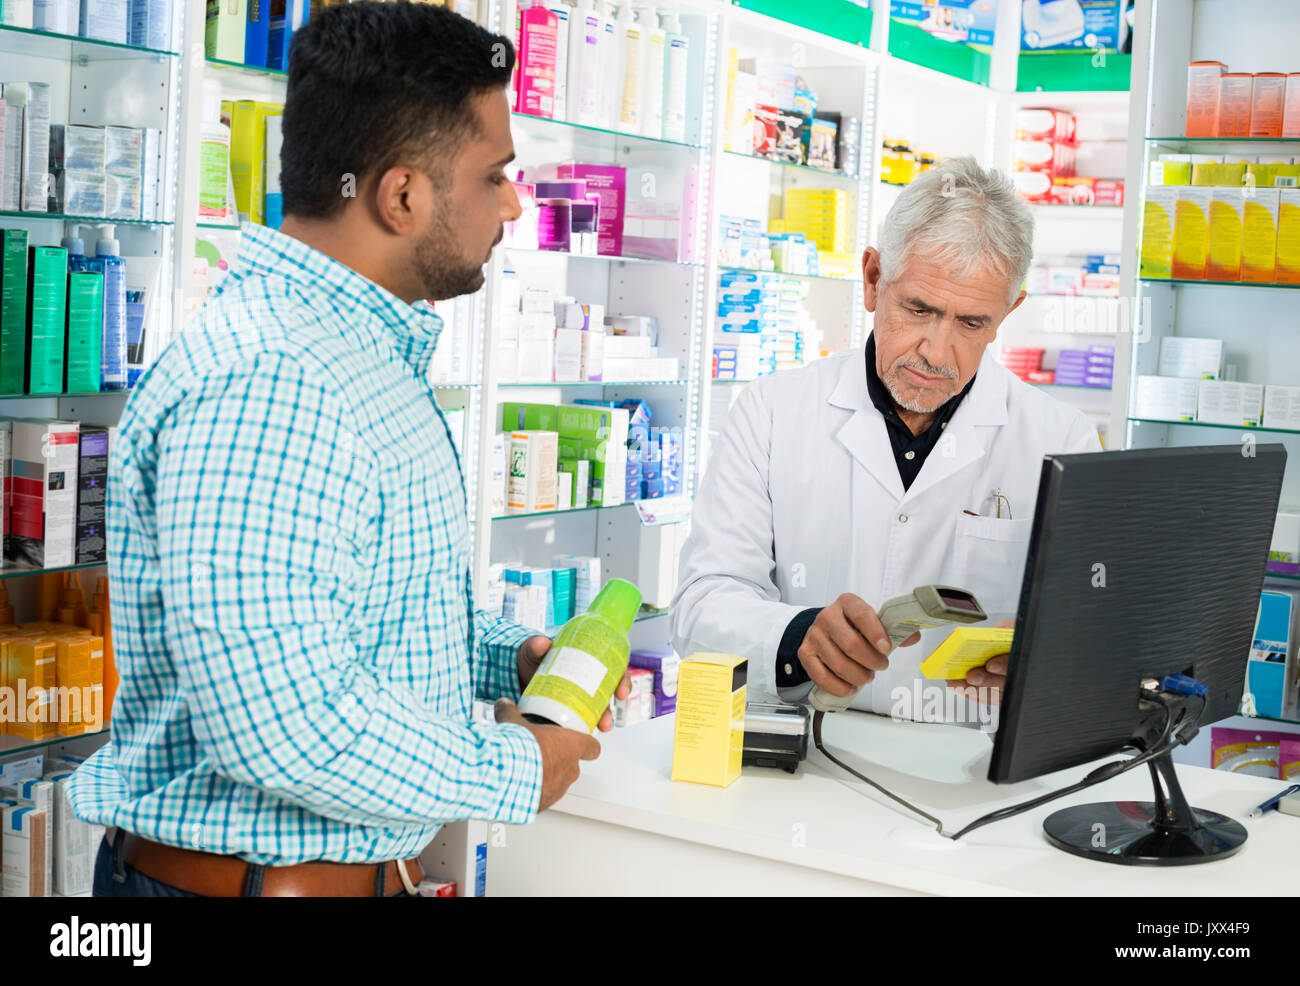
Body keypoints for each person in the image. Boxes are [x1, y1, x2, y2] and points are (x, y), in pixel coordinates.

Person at [67, 2, 624, 898]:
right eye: (496, 175)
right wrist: (519, 768)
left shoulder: (360, 356)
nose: (516, 203)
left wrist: (506, 657)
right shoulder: (272, 380)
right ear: (402, 195)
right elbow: (280, 721)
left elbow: (360, 613)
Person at [671, 156, 1101, 720]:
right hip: (807, 753)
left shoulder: (1059, 439)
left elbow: (1094, 621)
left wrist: (1049, 655)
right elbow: (701, 607)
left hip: (968, 770)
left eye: (971, 323)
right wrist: (796, 636)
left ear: (1007, 313)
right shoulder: (772, 411)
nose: (935, 351)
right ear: (873, 279)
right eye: (918, 309)